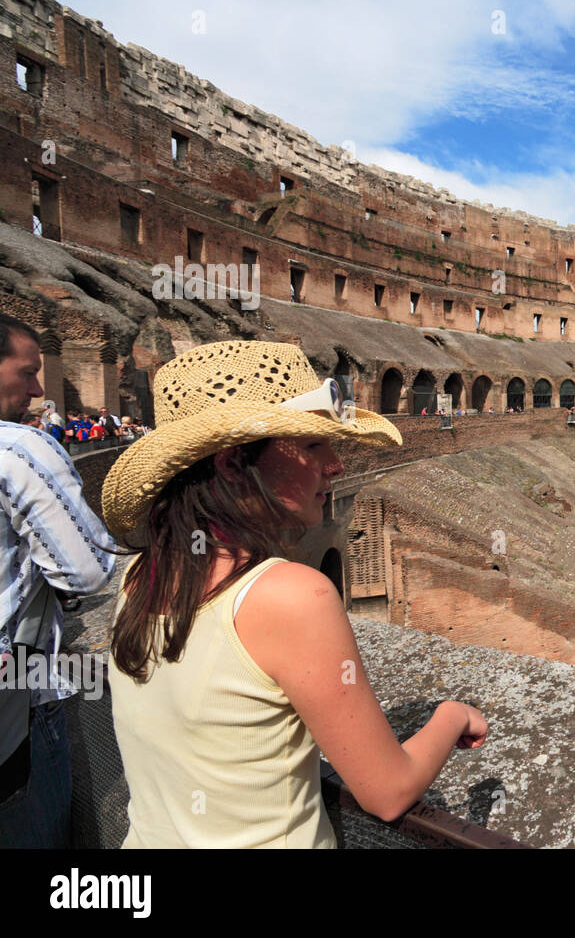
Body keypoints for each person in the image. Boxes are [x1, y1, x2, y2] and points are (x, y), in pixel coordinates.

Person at [101, 340, 487, 847]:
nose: (336, 464)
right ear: (233, 463)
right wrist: (453, 714)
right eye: (311, 446)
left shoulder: (137, 578)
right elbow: (387, 791)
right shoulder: (292, 595)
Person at [0, 314, 117, 848]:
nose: (38, 389)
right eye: (26, 372)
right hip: (17, 700)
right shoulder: (19, 449)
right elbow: (87, 572)